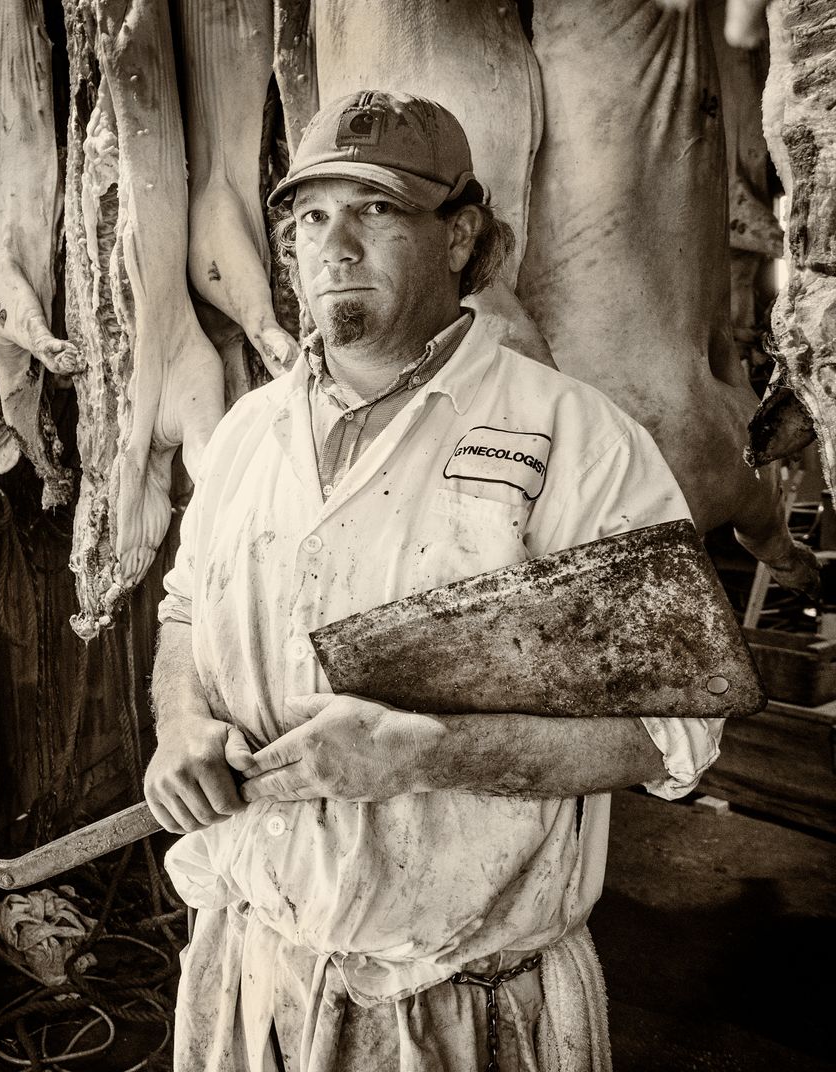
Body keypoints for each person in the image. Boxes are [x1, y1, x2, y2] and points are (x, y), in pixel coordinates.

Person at [144, 89, 723, 1072]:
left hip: (471, 1005)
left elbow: (675, 724)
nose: (333, 245)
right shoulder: (246, 436)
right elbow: (184, 612)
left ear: (458, 235)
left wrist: (428, 754)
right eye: (310, 215)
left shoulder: (572, 439)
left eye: (374, 209)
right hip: (254, 972)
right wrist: (177, 727)